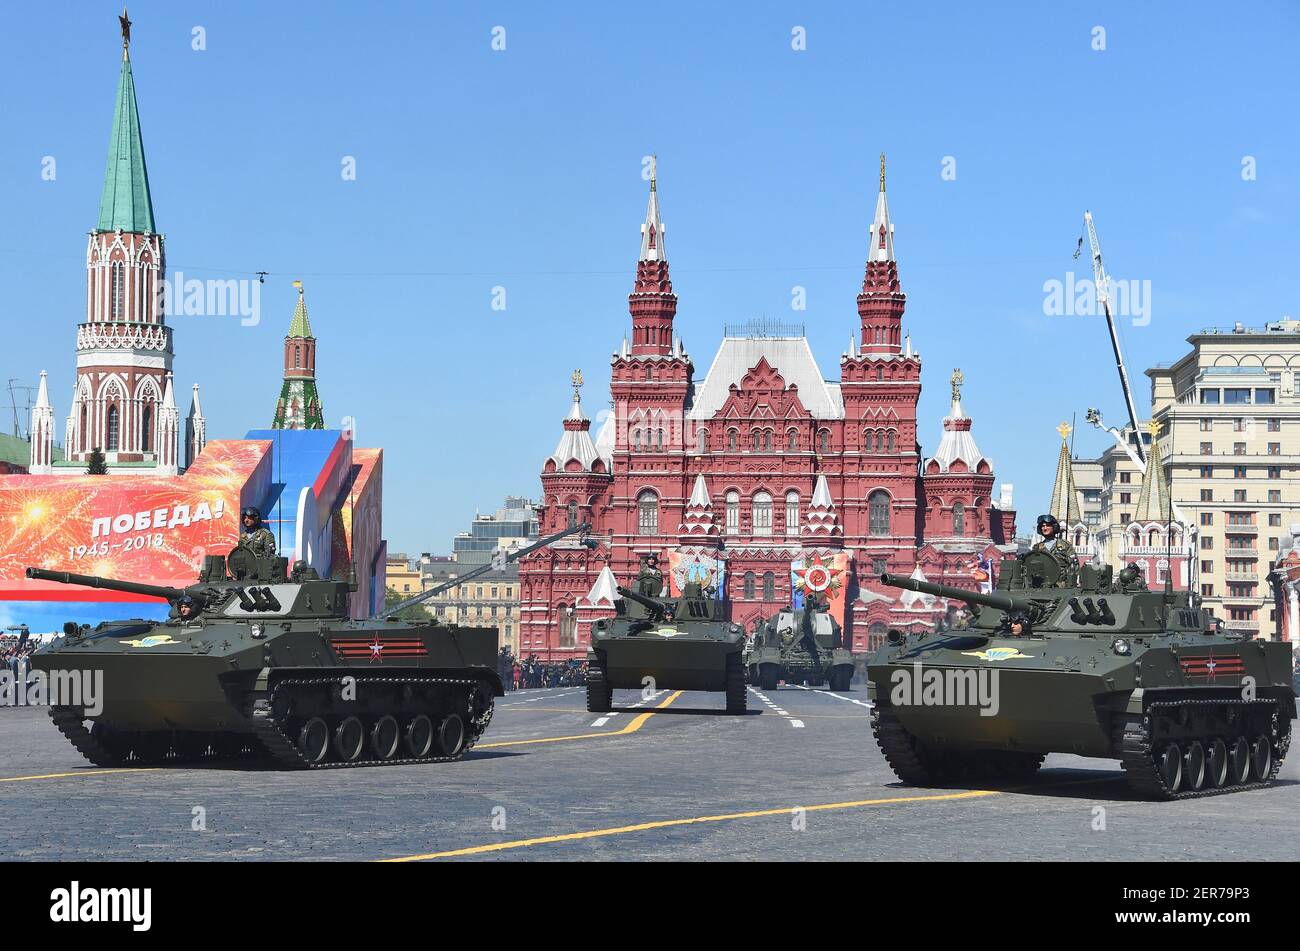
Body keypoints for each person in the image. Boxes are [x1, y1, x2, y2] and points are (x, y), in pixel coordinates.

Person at [1031, 513, 1076, 583]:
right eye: (1043, 526)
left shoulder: (1064, 545)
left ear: (1054, 527)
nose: (1045, 528)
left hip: (1061, 586)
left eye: (1048, 525)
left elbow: (1074, 565)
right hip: (1041, 585)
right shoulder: (1037, 548)